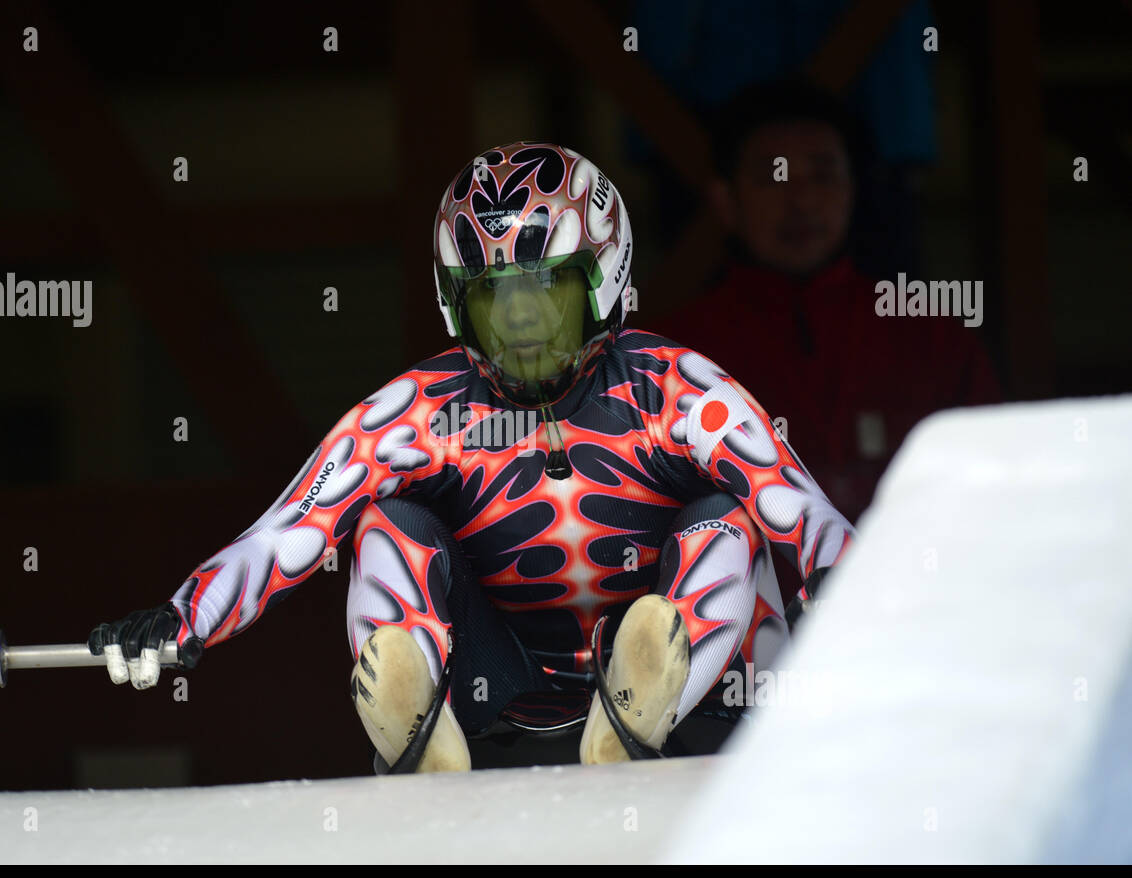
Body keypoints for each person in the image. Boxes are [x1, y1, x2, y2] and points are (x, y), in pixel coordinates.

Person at [89, 142, 855, 773]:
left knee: (729, 519)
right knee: (387, 521)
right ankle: (418, 730)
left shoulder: (679, 390)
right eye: (493, 295)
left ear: (605, 278)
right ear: (455, 303)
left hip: (708, 714)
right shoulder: (420, 410)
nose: (521, 321)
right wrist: (181, 617)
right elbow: (291, 528)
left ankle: (637, 715)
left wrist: (862, 596)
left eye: (544, 287)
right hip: (505, 710)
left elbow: (805, 514)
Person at [653, 83, 1000, 531]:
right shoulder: (673, 358)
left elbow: (996, 495)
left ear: (855, 189)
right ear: (725, 199)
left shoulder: (933, 334)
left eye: (823, 175)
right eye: (772, 177)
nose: (801, 200)